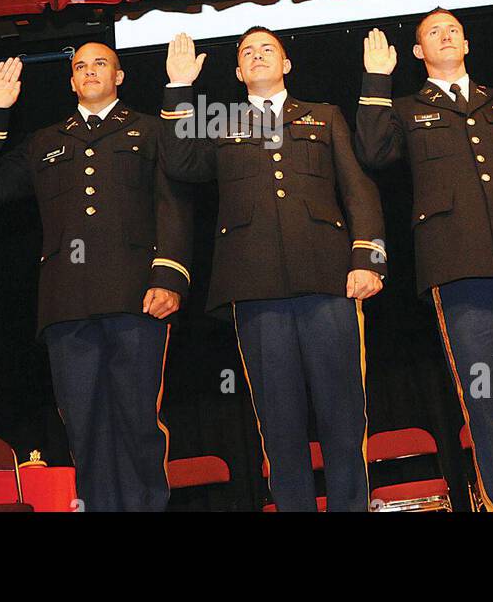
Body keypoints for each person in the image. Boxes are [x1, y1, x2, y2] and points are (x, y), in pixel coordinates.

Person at [355, 12, 493, 511]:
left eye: (452, 29)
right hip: (456, 268)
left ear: (468, 42)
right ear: (416, 53)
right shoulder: (408, 110)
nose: (446, 35)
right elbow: (372, 152)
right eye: (433, 32)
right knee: (486, 403)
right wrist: (375, 83)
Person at [161, 28, 386, 511]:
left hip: (330, 281)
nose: (258, 56)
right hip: (254, 286)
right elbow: (179, 163)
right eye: (247, 53)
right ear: (239, 73)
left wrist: (368, 257)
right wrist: (179, 88)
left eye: (268, 49)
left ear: (287, 64)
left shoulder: (324, 116)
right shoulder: (218, 122)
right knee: (279, 424)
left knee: (343, 419)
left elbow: (358, 188)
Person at [0, 43, 192, 511]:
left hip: (137, 298)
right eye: (80, 66)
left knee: (138, 423)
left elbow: (174, 205)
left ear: (119, 76)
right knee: (84, 427)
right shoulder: (46, 141)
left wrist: (169, 275)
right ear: (70, 82)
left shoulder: (149, 130)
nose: (89, 71)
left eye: (100, 63)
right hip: (67, 306)